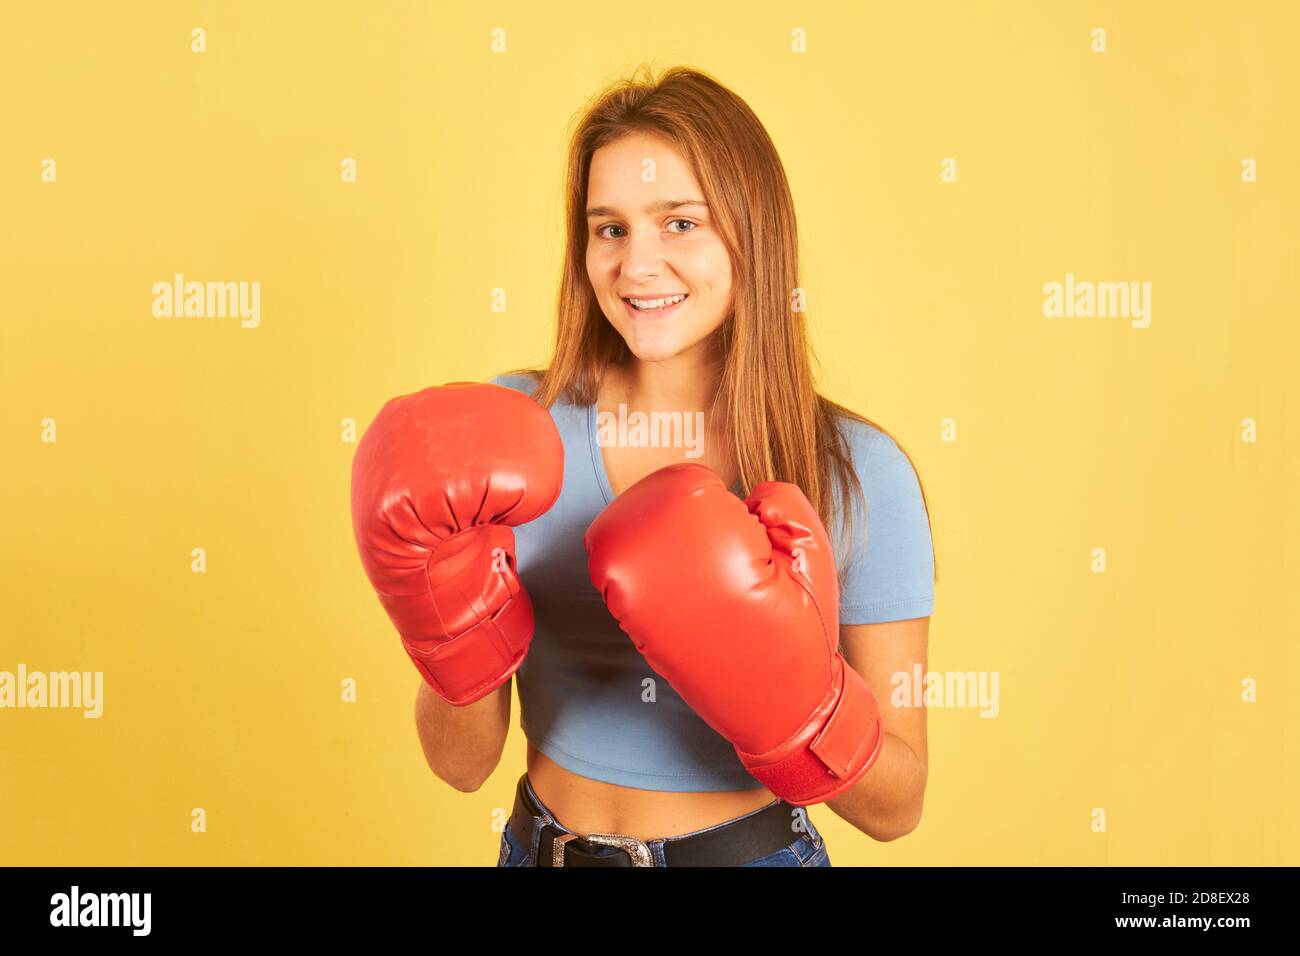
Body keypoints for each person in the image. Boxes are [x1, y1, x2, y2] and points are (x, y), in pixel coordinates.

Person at [352, 65, 936, 867]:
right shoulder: (515, 433)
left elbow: (897, 805)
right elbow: (461, 765)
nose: (638, 265)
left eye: (680, 223)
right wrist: (449, 623)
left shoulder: (857, 474)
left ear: (751, 232)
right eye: (611, 228)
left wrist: (806, 707)